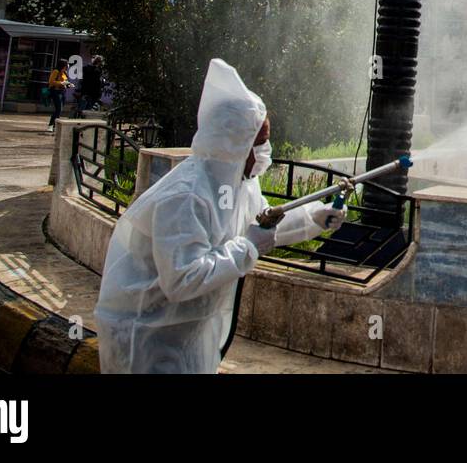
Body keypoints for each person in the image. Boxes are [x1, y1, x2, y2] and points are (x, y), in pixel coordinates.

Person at [94, 59, 345, 373]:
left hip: (190, 332)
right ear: (235, 144)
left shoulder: (239, 183)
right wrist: (246, 249)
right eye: (261, 142)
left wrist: (313, 218)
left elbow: (262, 224)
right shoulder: (186, 196)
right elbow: (183, 279)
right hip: (145, 337)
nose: (267, 150)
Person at [46, 62, 71, 132]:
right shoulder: (56, 71)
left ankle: (54, 126)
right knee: (58, 109)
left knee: (59, 110)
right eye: (66, 67)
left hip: (62, 92)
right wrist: (61, 83)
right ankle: (51, 125)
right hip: (56, 92)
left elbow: (65, 81)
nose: (66, 69)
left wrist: (68, 84)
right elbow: (51, 81)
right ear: (62, 66)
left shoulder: (64, 73)